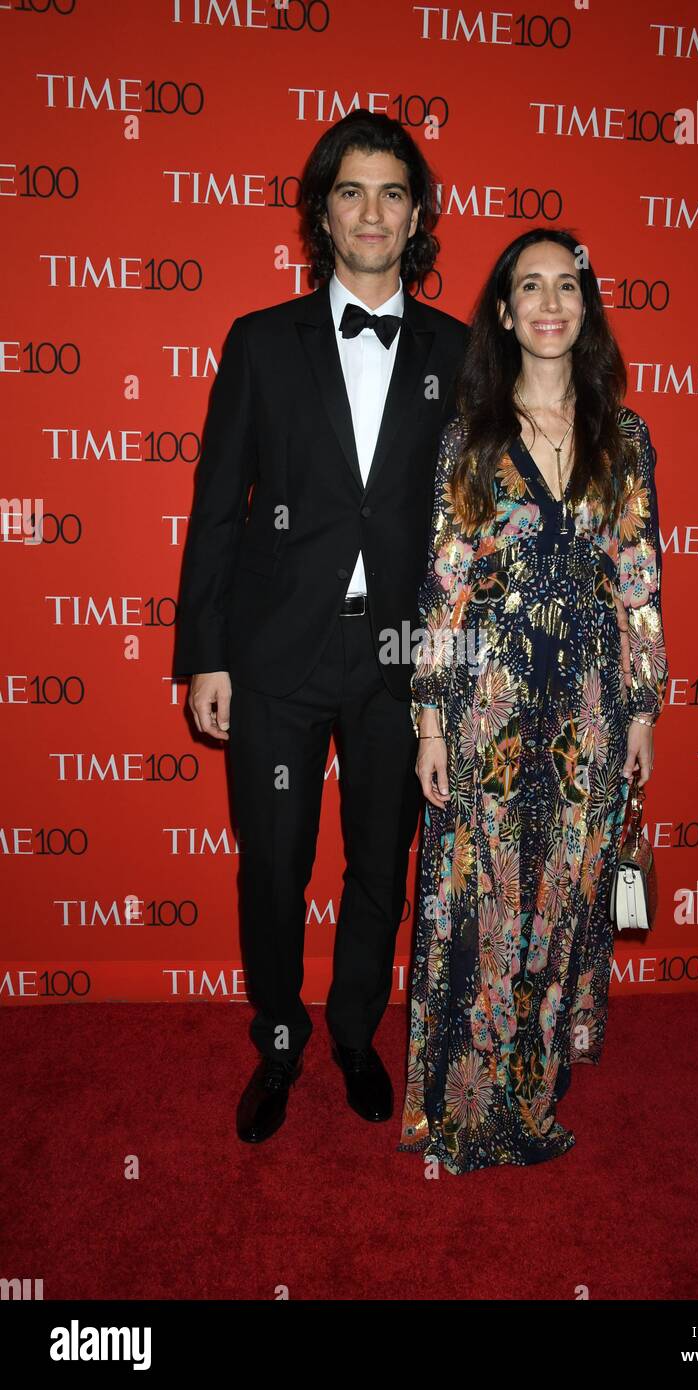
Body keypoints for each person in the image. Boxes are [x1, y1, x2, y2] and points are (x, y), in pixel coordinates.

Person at [172, 111, 468, 1143]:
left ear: (417, 213)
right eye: (350, 191)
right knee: (273, 862)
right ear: (321, 212)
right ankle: (280, 1040)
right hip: (275, 649)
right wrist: (203, 652)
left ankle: (351, 1033)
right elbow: (218, 507)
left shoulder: (461, 354)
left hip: (400, 656)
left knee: (380, 863)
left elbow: (473, 525)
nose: (372, 211)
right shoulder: (260, 342)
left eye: (392, 191)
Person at [397, 227, 669, 1174]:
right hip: (490, 710)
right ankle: (465, 1108)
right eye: (530, 288)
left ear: (583, 310)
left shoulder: (624, 436)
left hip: (590, 712)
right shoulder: (470, 441)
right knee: (482, 898)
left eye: (568, 287)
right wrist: (430, 722)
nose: (550, 303)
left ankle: (533, 1091)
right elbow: (443, 589)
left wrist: (640, 716)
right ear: (505, 313)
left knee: (562, 898)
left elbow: (638, 583)